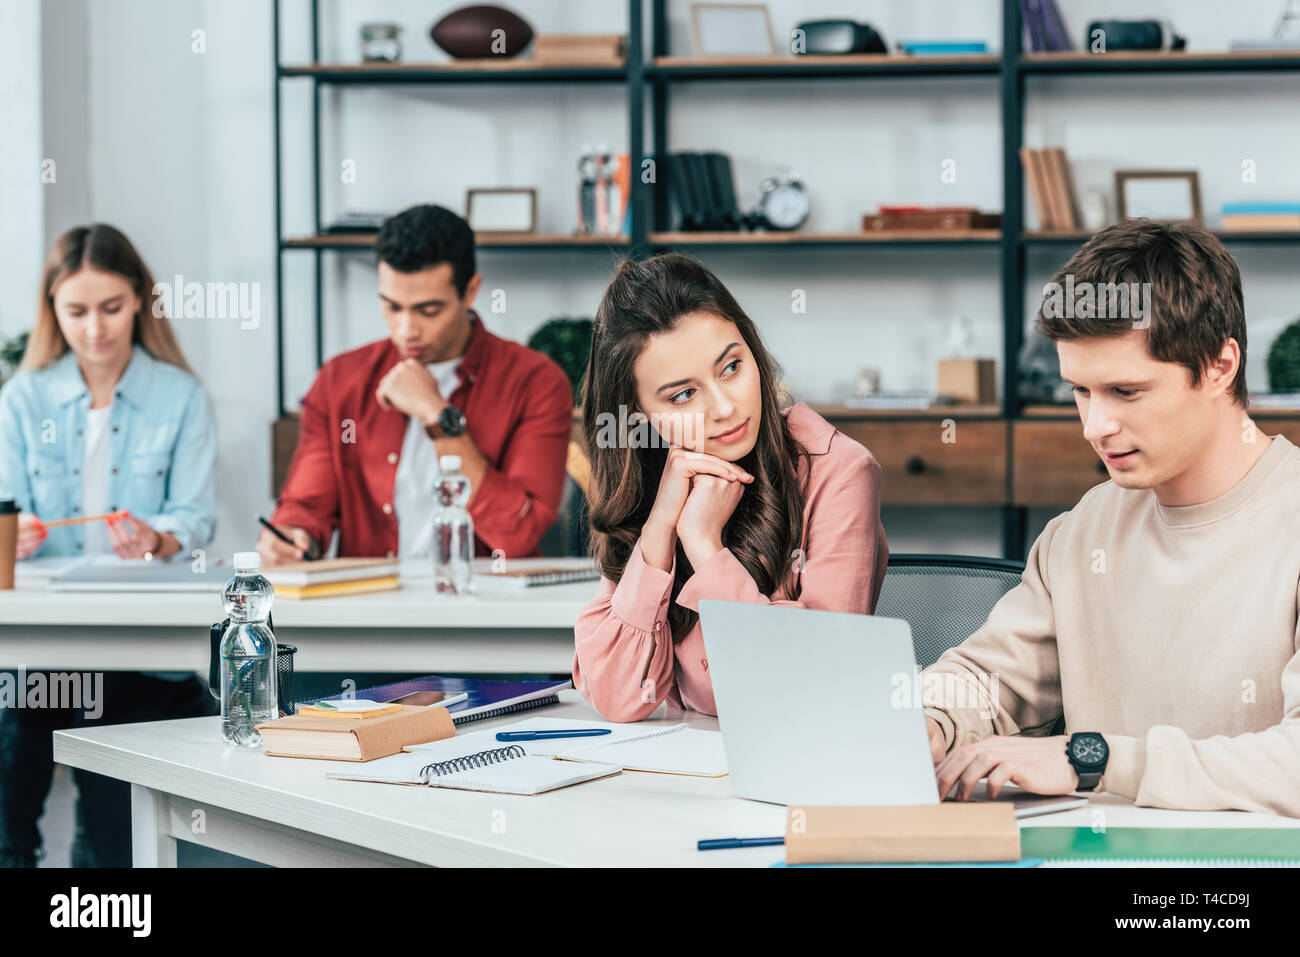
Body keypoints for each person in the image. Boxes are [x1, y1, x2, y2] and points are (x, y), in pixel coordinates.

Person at [923, 219, 1300, 817]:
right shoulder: (1082, 531)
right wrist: (929, 720)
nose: (1094, 427)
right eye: (1080, 391)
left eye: (1126, 392)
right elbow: (986, 679)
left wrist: (1091, 758)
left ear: (1220, 366)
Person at [573, 252, 889, 722]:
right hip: (679, 771)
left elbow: (818, 680)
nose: (724, 407)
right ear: (639, 415)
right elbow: (620, 698)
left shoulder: (839, 471)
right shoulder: (659, 482)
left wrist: (703, 543)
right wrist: (661, 527)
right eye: (683, 395)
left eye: (731, 368)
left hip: (793, 765)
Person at [0, 223, 219, 866]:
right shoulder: (22, 398)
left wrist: (161, 537)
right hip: (41, 647)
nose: (95, 328)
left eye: (111, 308)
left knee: (110, 839)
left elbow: (196, 519)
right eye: (76, 311)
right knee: (8, 815)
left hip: (135, 641)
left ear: (139, 303)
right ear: (53, 312)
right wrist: (20, 539)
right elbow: (5, 514)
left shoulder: (180, 396)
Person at [258, 204, 573, 565]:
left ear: (470, 291)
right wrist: (293, 535)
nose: (406, 330)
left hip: (485, 608)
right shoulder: (339, 379)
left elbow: (516, 534)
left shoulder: (536, 383)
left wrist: (435, 413)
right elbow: (307, 505)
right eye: (392, 307)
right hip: (370, 606)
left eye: (428, 310)